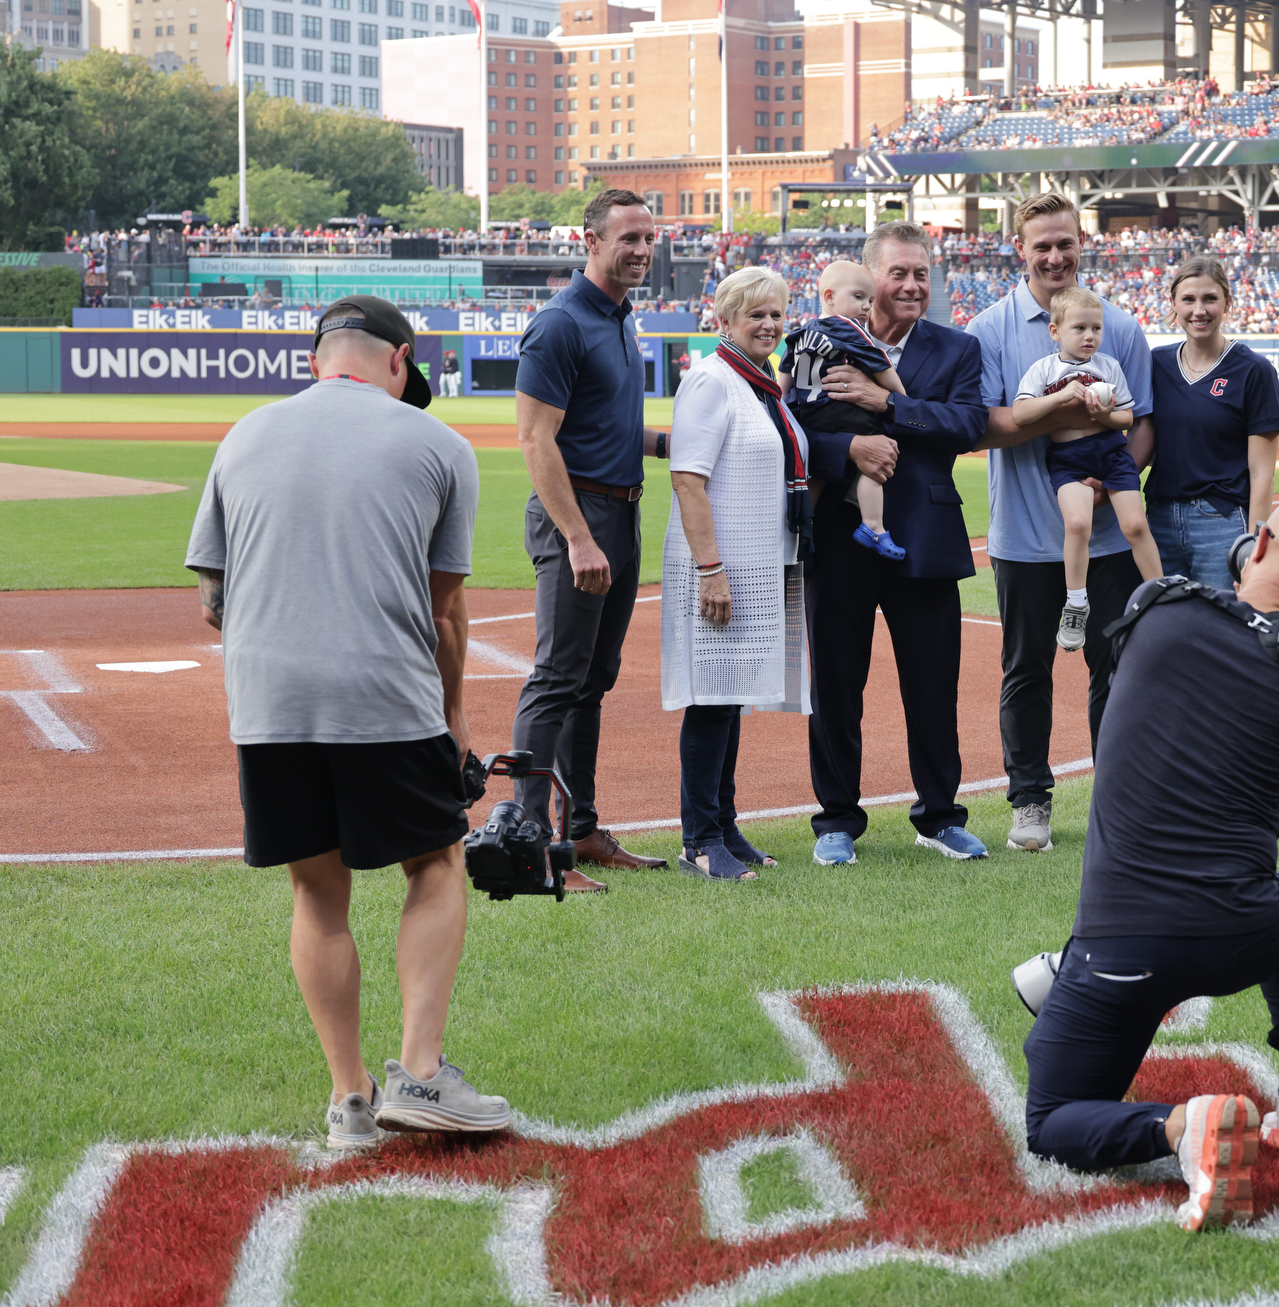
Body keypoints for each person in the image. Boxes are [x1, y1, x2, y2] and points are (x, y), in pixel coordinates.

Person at [185, 295, 509, 1150]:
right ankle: (425, 1074)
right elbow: (443, 610)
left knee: (317, 890)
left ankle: (350, 1103)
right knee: (436, 862)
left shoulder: (245, 434)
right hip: (384, 692)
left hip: (267, 700)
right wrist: (453, 716)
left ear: (318, 358)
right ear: (399, 363)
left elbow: (214, 600)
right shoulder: (439, 443)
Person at [1022, 495, 1279, 1230]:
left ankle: (1182, 1129)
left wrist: (1247, 568)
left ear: (1262, 542)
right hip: (1245, 934)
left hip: (1123, 946)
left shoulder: (1161, 609)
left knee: (1051, 1119)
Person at [798, 221, 992, 866]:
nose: (911, 286)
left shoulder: (957, 348)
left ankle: (940, 817)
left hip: (926, 537)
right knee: (836, 685)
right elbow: (791, 433)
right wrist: (848, 446)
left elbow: (965, 425)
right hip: (837, 538)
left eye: (921, 274)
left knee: (933, 687)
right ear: (867, 278)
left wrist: (884, 406)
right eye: (898, 273)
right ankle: (836, 822)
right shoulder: (820, 340)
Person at [968, 192, 1156, 852]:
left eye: (1064, 243)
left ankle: (1118, 800)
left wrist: (1107, 478)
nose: (1053, 256)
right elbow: (987, 426)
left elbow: (1143, 424)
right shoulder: (990, 329)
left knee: (1116, 670)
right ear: (1020, 250)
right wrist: (1066, 406)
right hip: (1023, 536)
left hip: (1104, 537)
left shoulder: (1119, 327)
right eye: (1041, 245)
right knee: (1026, 671)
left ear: (1082, 244)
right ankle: (1030, 804)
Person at [511, 188, 675, 893]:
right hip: (579, 521)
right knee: (556, 680)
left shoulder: (618, 318)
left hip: (623, 515)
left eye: (648, 238)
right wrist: (578, 537)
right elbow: (536, 438)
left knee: (591, 683)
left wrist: (671, 442)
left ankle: (579, 831)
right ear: (591, 240)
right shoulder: (561, 323)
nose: (641, 250)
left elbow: (602, 427)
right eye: (628, 238)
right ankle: (528, 844)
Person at [661, 265, 814, 880]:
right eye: (756, 314)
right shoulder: (712, 381)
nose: (770, 324)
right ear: (723, 320)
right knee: (712, 700)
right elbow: (688, 480)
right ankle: (699, 840)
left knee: (731, 702)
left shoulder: (759, 386)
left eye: (777, 313)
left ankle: (723, 826)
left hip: (761, 562)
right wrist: (711, 570)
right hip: (722, 565)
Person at [1007, 286, 1162, 651]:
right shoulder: (1043, 369)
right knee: (1077, 524)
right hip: (1069, 457)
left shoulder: (1109, 366)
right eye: (1079, 328)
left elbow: (1127, 416)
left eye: (1096, 328)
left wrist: (1105, 415)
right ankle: (1076, 602)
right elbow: (1019, 413)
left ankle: (1160, 596)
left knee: (1136, 525)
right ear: (1055, 331)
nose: (1089, 336)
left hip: (1112, 453)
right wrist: (1060, 397)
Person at [1130, 257, 1279, 589]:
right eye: (1188, 299)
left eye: (1210, 299)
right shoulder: (1156, 364)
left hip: (1221, 523)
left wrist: (1254, 547)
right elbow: (1144, 440)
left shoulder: (1254, 370)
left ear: (1228, 302)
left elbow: (1262, 472)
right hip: (1159, 519)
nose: (1199, 309)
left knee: (1220, 631)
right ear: (1173, 304)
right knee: (1165, 627)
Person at [780, 260, 911, 561]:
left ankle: (801, 526)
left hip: (808, 413)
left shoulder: (799, 333)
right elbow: (881, 363)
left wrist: (780, 400)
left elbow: (784, 377)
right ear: (829, 297)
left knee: (816, 474)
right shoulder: (850, 328)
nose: (866, 307)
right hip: (835, 407)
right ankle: (873, 525)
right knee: (876, 453)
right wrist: (901, 396)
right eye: (858, 297)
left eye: (869, 300)